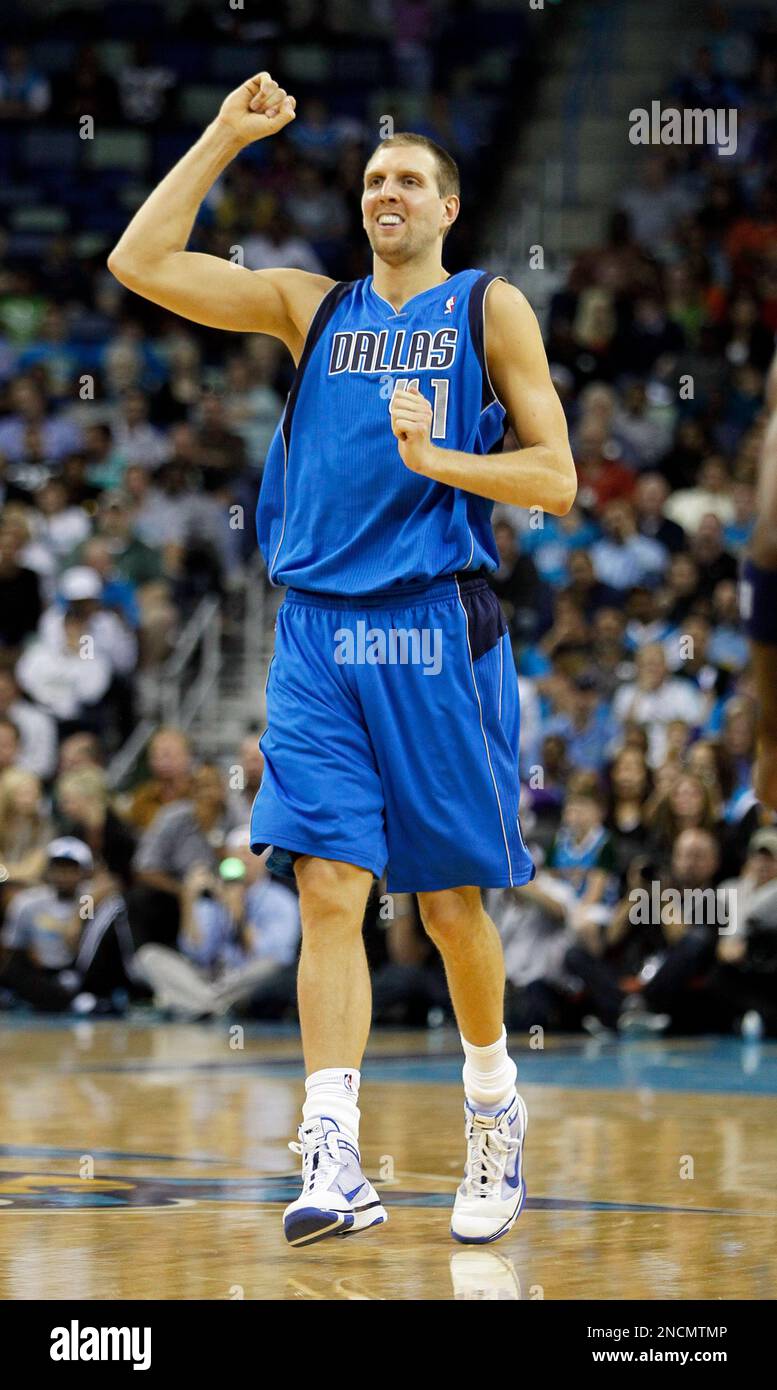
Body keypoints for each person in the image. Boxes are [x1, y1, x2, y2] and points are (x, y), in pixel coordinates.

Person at [108, 70, 577, 1248]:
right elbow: (142, 261)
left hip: (431, 625)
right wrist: (223, 131)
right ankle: (332, 1150)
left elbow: (557, 479)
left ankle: (491, 1106)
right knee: (327, 884)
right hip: (315, 626)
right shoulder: (311, 309)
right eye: (374, 178)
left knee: (449, 903)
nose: (388, 192)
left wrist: (443, 464)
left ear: (448, 207)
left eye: (410, 179)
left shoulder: (486, 309)